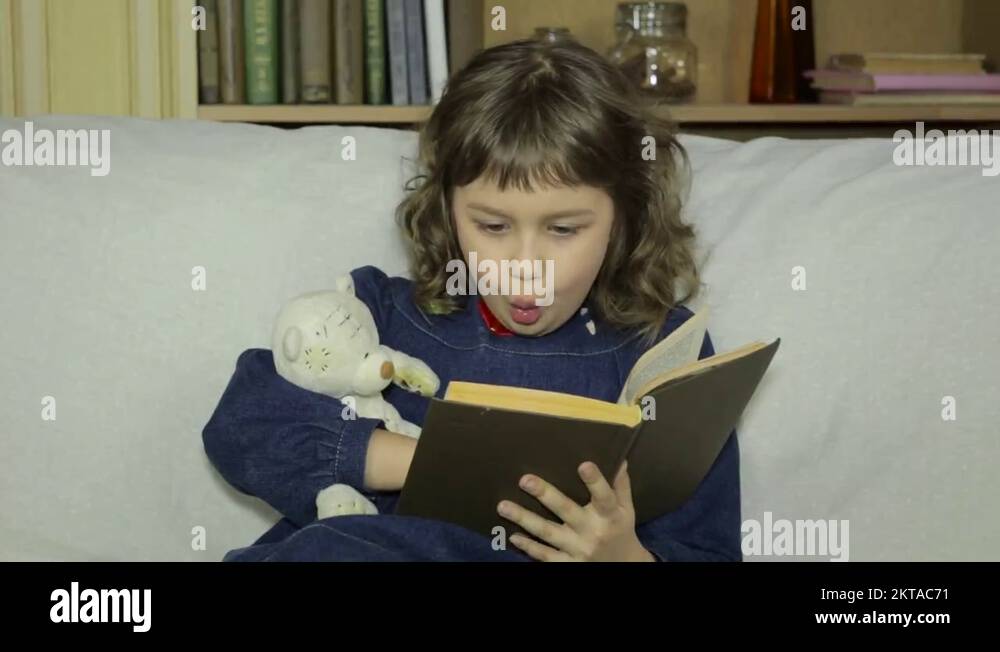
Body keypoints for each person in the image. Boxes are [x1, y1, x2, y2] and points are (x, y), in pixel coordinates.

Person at [202, 38, 741, 562]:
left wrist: (621, 558)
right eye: (492, 225)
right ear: (445, 208)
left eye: (562, 229)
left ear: (624, 215)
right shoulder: (382, 315)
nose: (524, 265)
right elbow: (242, 425)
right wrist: (431, 462)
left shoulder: (664, 349)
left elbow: (706, 549)